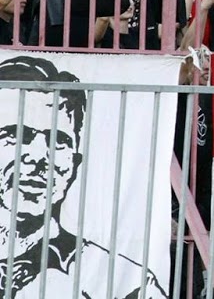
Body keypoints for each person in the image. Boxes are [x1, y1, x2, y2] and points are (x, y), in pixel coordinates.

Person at [0, 55, 168, 298]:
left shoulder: (128, 284)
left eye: (58, 141)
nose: (38, 157)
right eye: (17, 135)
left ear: (75, 163)